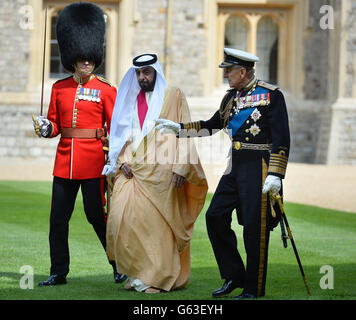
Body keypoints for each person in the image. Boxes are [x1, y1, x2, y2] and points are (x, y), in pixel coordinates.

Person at [156, 48, 290, 299]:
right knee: (215, 216)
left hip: (259, 167)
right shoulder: (231, 98)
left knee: (255, 229)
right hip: (235, 166)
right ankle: (233, 276)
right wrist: (180, 128)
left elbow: (282, 138)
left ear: (243, 71)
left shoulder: (271, 95)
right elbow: (212, 125)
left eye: (229, 70)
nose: (226, 74)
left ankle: (253, 288)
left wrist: (276, 174)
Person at [32, 2, 126, 286]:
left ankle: (118, 265)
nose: (86, 61)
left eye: (90, 58)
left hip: (94, 162)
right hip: (64, 163)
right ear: (72, 57)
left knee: (97, 217)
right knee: (57, 221)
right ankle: (58, 271)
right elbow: (55, 126)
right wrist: (46, 128)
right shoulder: (59, 88)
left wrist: (115, 159)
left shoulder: (106, 90)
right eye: (81, 57)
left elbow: (117, 128)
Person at [102, 53, 208, 293]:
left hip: (162, 172)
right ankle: (138, 274)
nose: (142, 77)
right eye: (138, 73)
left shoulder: (173, 95)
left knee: (156, 226)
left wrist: (182, 166)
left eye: (147, 72)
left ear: (156, 72)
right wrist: (121, 161)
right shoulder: (129, 97)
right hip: (130, 170)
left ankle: (158, 279)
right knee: (122, 221)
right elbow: (120, 134)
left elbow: (185, 130)